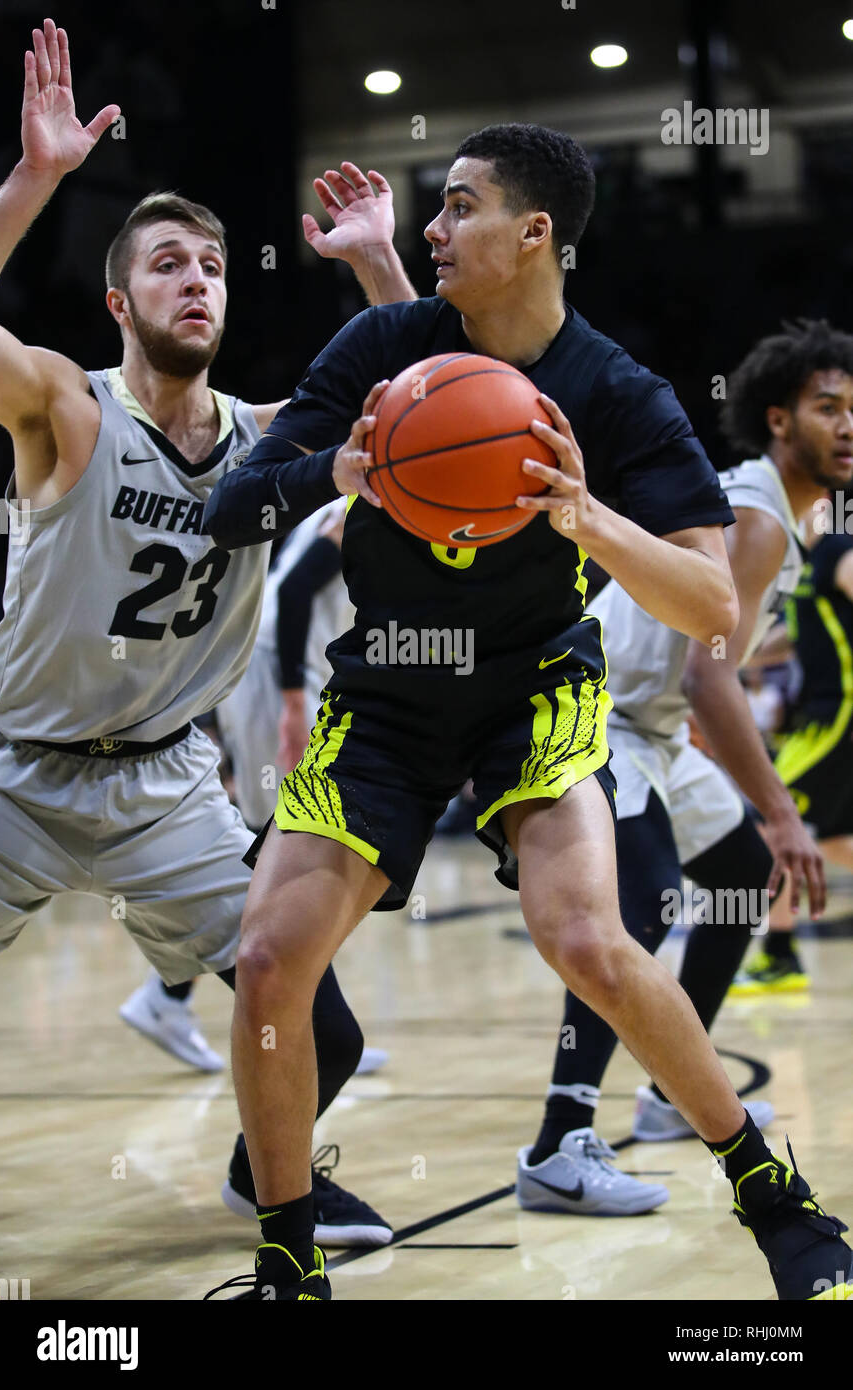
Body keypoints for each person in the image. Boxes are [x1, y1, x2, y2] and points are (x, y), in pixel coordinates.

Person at [203, 124, 852, 1300]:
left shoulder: (617, 392)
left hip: (533, 692)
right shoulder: (383, 346)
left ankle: (782, 1209)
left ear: (534, 231)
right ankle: (287, 1257)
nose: (433, 231)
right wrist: (327, 475)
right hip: (386, 696)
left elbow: (711, 604)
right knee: (264, 960)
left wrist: (584, 515)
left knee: (589, 942)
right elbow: (228, 513)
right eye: (433, 214)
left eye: (456, 207)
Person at [0, 21, 406, 1256]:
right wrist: (34, 183)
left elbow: (429, 390)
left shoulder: (272, 432)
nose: (197, 282)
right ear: (122, 300)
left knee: (319, 1029)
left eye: (213, 266)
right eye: (168, 264)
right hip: (15, 767)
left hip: (171, 789)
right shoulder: (65, 406)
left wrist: (379, 261)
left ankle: (259, 1171)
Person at [517, 320, 853, 1214]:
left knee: (740, 872)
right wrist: (782, 810)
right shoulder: (758, 513)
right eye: (830, 408)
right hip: (609, 710)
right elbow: (710, 671)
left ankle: (672, 1090)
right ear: (779, 421)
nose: (849, 425)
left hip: (657, 725)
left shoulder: (781, 511)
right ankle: (561, 1140)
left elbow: (714, 669)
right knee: (644, 899)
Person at [733, 478, 853, 994]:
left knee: (770, 822)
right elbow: (797, 637)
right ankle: (779, 954)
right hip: (819, 714)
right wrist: (735, 655)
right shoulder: (803, 563)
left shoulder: (839, 548)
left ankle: (779, 956)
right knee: (829, 839)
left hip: (841, 712)